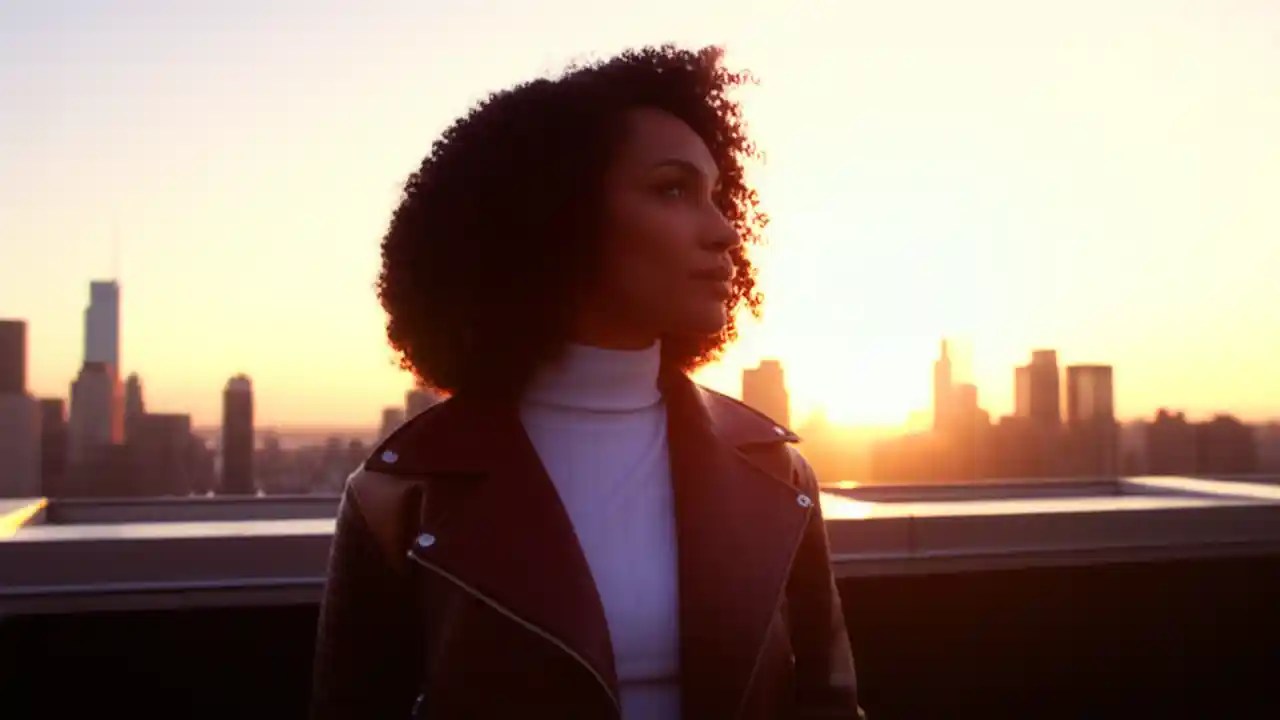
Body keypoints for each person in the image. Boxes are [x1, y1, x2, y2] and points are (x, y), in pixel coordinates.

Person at [310, 44, 863, 719]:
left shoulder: (779, 471)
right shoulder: (399, 495)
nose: (724, 230)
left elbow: (830, 706)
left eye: (718, 196)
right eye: (672, 189)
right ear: (558, 217)